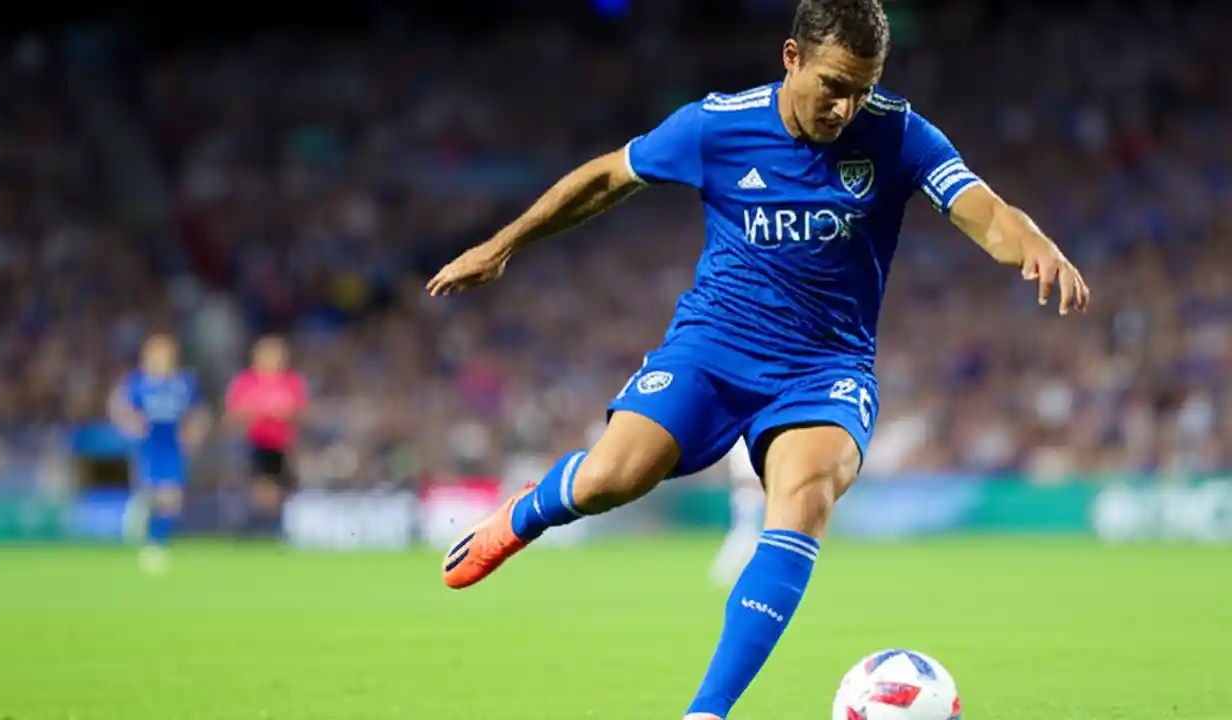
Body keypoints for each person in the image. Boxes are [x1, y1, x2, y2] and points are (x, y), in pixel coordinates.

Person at [426, 1, 1090, 717]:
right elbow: (607, 178)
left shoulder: (897, 134)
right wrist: (503, 245)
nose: (847, 105)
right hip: (712, 346)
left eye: (863, 87)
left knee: (803, 500)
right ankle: (529, 511)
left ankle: (706, 711)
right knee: (615, 478)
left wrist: (1035, 245)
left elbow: (984, 211)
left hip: (824, 368)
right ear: (791, 58)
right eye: (834, 83)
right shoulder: (716, 125)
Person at [109, 333, 208, 574]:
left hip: (173, 447)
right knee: (157, 494)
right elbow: (120, 407)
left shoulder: (184, 383)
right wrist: (131, 425)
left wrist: (195, 431)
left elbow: (200, 411)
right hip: (148, 447)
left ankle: (154, 539)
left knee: (173, 500)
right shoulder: (139, 382)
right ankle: (151, 539)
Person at [224, 335, 310, 537]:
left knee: (282, 490)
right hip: (256, 444)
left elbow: (302, 414)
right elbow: (233, 415)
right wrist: (259, 413)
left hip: (283, 445)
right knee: (262, 490)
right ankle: (261, 529)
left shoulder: (291, 382)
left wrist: (285, 413)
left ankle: (275, 529)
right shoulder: (246, 382)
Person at [709, 440, 766, 588]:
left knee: (750, 537)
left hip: (752, 496)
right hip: (747, 496)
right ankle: (723, 570)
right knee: (743, 537)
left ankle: (739, 572)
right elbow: (746, 477)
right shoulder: (742, 448)